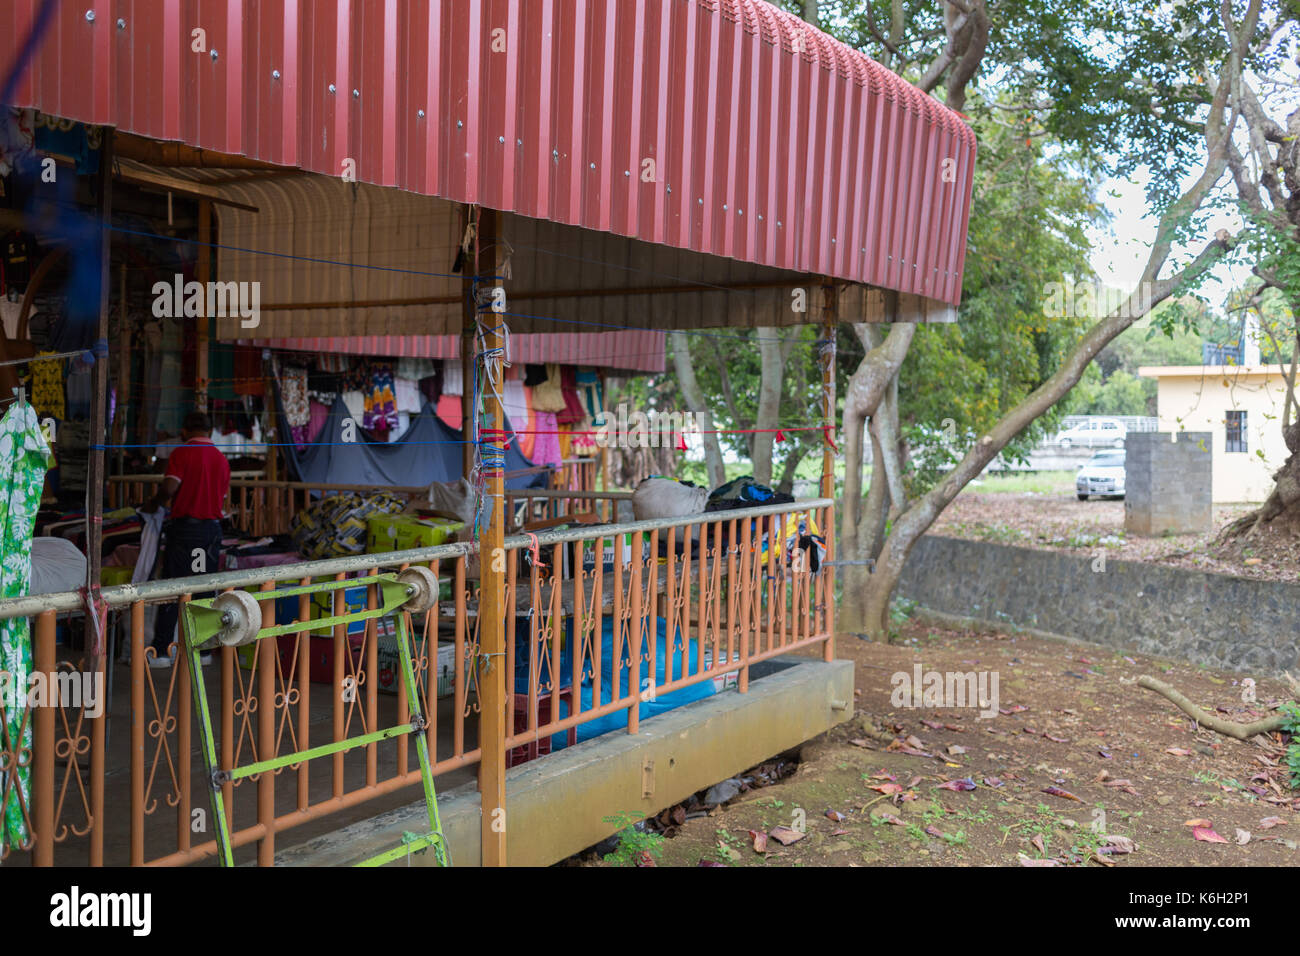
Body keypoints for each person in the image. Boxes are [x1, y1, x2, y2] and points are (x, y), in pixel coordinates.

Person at [142, 411, 230, 665]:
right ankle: (202, 651)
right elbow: (221, 500)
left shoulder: (181, 454)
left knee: (174, 588)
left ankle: (160, 652)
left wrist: (154, 503)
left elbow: (169, 488)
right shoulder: (221, 460)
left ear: (184, 431)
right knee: (204, 588)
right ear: (210, 431)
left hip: (186, 531)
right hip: (210, 532)